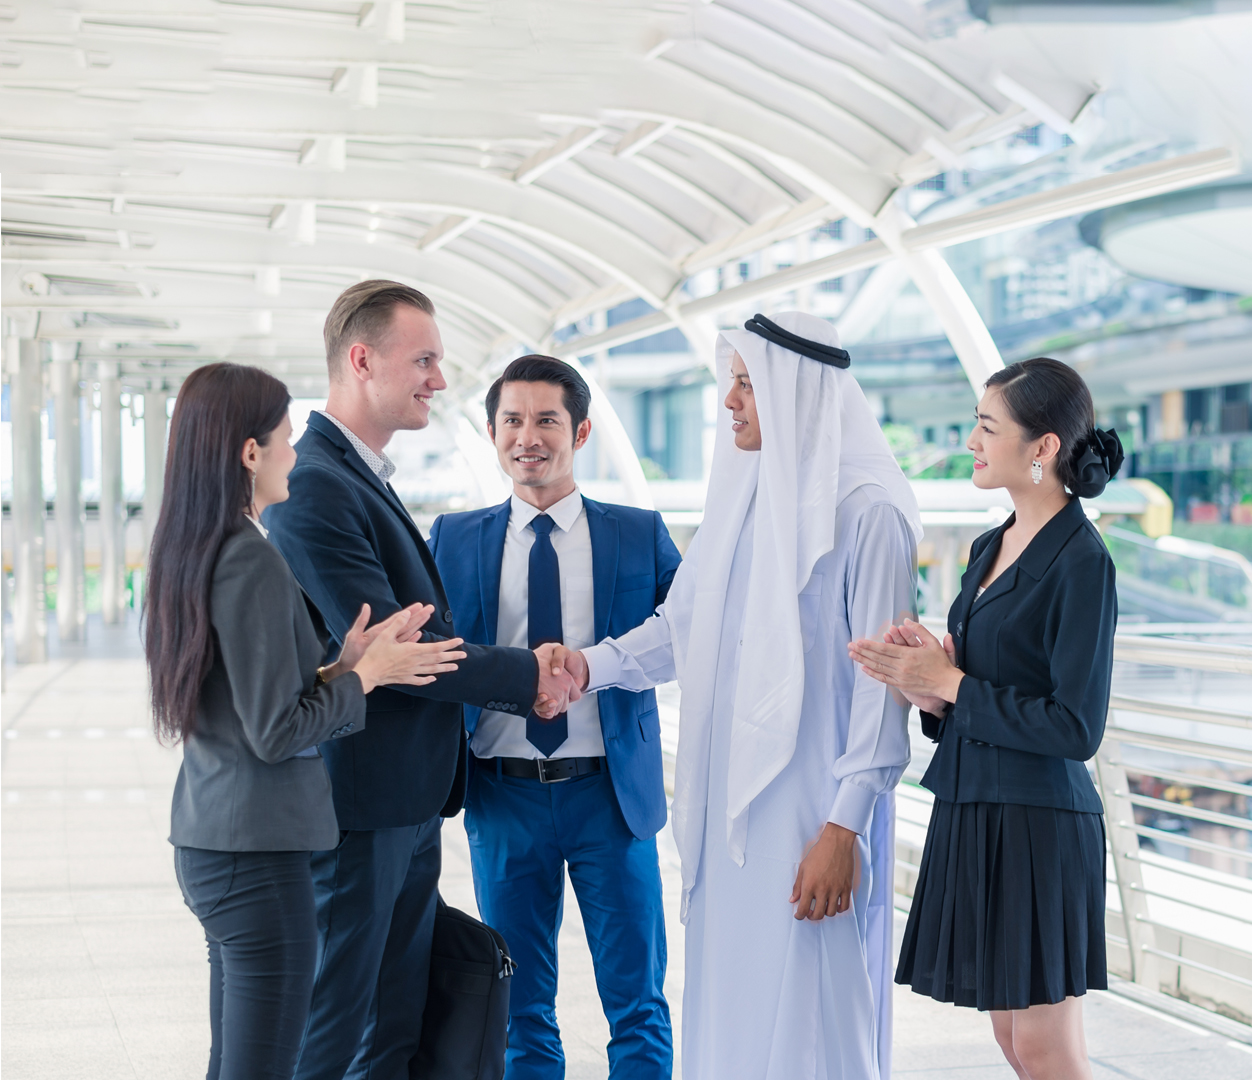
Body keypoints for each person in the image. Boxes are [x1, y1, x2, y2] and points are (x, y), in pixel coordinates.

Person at [541, 312, 920, 1080]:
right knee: (730, 1005)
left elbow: (888, 684)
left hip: (813, 814)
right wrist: (588, 666)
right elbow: (680, 631)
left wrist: (844, 829)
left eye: (748, 384)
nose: (731, 402)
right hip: (726, 809)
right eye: (731, 382)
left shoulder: (869, 511)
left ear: (797, 391)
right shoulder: (741, 502)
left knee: (813, 1009)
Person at [263, 281, 578, 1080]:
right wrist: (525, 674)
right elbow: (397, 648)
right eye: (425, 361)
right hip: (359, 807)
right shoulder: (314, 485)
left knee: (391, 1023)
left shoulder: (357, 473)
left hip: (401, 801)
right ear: (362, 361)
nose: (439, 380)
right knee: (336, 1024)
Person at [148, 363, 467, 1080]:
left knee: (237, 1061)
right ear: (249, 452)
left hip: (213, 841)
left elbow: (241, 701)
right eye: (286, 439)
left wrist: (339, 665)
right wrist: (367, 677)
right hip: (259, 856)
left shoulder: (192, 551)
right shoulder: (250, 561)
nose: (295, 453)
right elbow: (277, 732)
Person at [850, 357, 1125, 1080]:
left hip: (1040, 823)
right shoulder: (987, 547)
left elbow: (1077, 727)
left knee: (1043, 1046)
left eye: (987, 426)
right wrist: (931, 690)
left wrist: (955, 683)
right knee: (1011, 1040)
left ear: (1043, 449)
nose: (972, 439)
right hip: (978, 806)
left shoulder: (1083, 562)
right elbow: (981, 687)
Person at [426, 355, 680, 1079]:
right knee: (517, 1008)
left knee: (636, 1002)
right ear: (490, 431)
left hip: (610, 796)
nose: (527, 436)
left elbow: (685, 640)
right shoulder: (454, 537)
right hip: (502, 796)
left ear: (583, 430)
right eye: (512, 420)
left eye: (546, 420)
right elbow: (438, 656)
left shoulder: (638, 533)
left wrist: (589, 667)